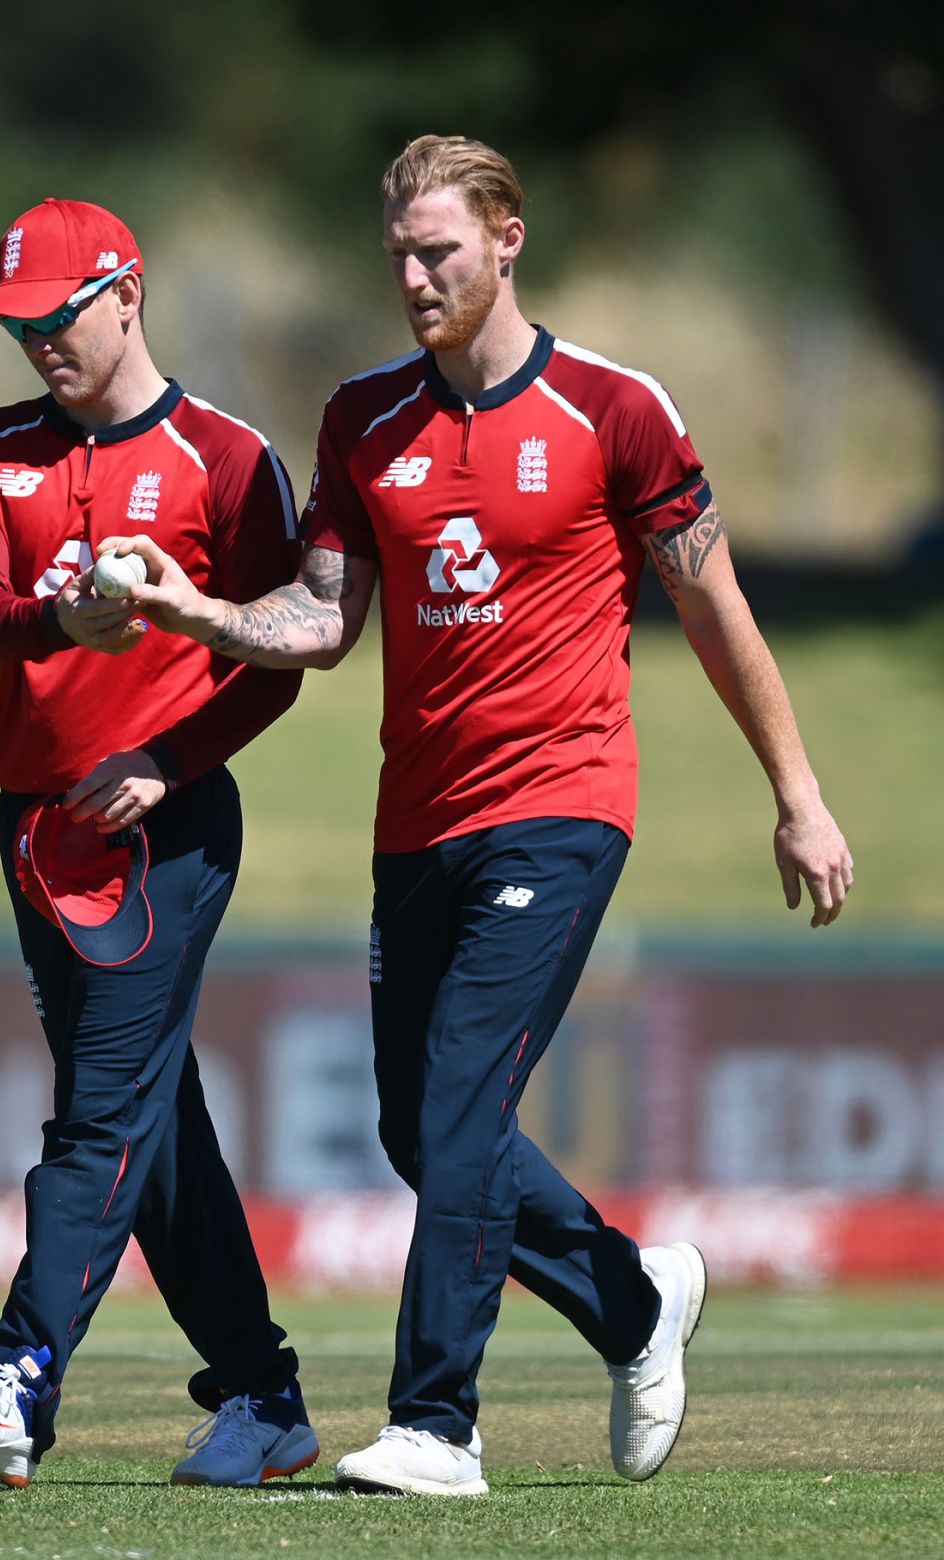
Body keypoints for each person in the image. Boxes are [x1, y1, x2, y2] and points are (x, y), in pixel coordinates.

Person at [102, 135, 855, 1497]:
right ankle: (633, 1302)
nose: (413, 275)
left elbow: (715, 605)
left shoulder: (613, 412)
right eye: (396, 251)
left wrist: (798, 796)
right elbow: (325, 619)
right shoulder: (364, 419)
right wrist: (195, 611)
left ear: (509, 241)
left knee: (457, 1101)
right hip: (419, 826)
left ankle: (437, 1423)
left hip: (563, 806)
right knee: (420, 1128)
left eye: (437, 250)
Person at [0, 196, 319, 1490]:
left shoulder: (224, 456)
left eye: (57, 316)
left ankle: (18, 1377)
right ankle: (263, 1394)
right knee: (152, 1119)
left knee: (101, 1110)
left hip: (163, 829)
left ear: (126, 293)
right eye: (16, 325)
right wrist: (58, 620)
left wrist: (170, 758)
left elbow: (277, 654)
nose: (38, 343)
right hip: (33, 826)